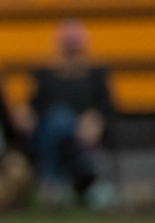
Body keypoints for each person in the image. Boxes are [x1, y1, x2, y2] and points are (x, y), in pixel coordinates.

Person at [14, 19, 117, 208]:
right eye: (67, 51)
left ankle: (53, 183)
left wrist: (96, 119)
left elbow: (108, 110)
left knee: (60, 120)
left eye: (75, 51)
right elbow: (31, 108)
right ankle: (57, 183)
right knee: (58, 119)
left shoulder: (96, 78)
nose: (71, 57)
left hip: (83, 144)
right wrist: (24, 114)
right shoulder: (45, 78)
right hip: (50, 137)